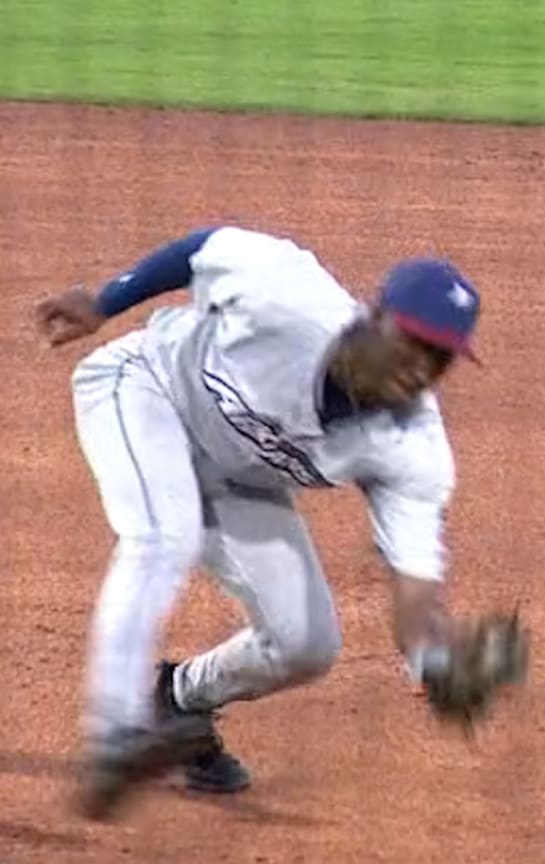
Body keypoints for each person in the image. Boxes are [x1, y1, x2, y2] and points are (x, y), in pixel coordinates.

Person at [35, 225, 491, 819]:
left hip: (238, 478)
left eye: (440, 358)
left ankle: (177, 700)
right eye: (414, 343)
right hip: (146, 391)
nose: (420, 368)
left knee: (307, 644)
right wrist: (104, 302)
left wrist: (435, 663)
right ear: (375, 316)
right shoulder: (287, 293)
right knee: (164, 537)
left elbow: (414, 586)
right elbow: (202, 249)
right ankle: (116, 732)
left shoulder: (411, 446)